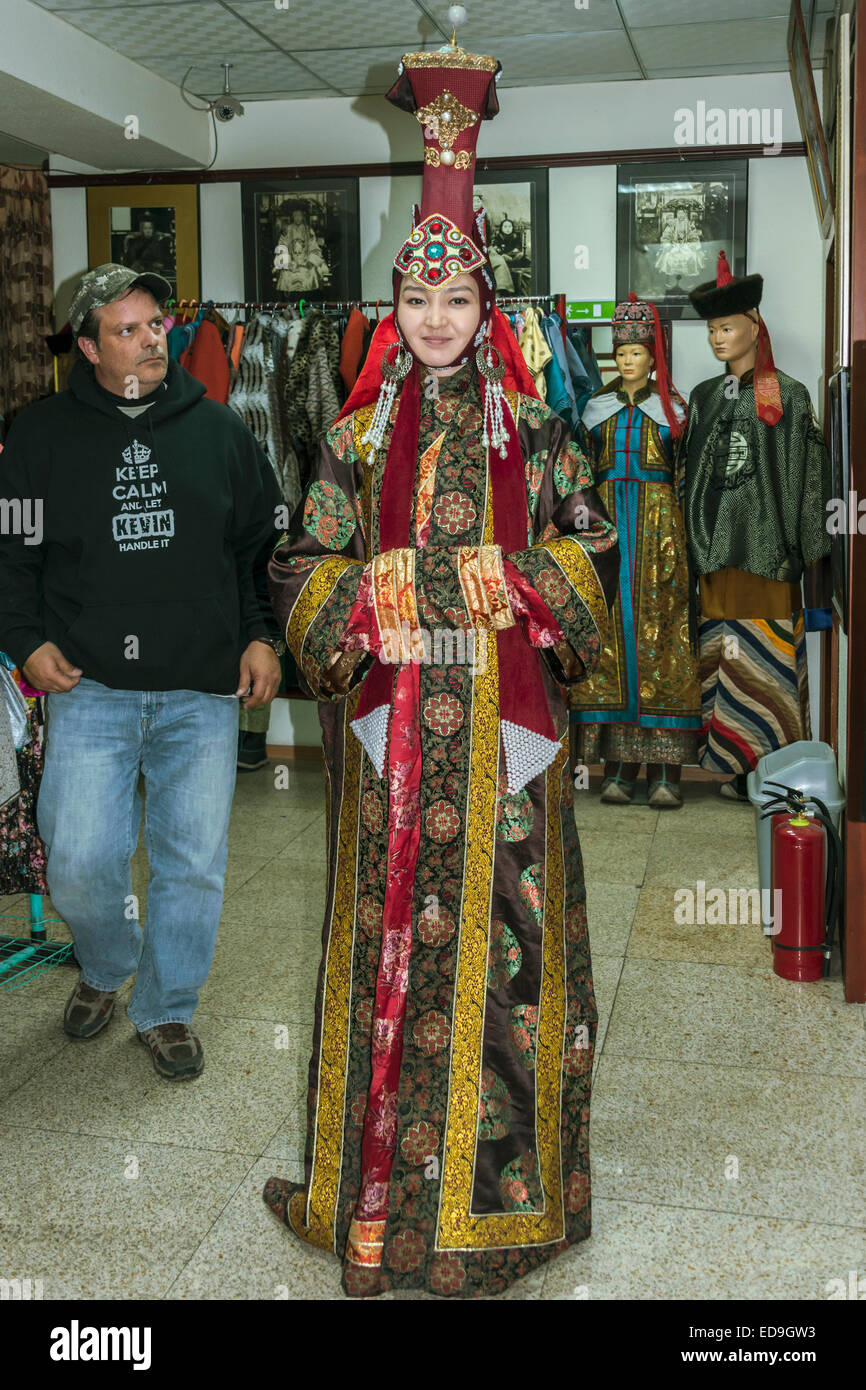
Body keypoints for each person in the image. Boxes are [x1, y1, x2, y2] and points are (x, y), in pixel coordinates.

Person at [261, 35, 619, 1298]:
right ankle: (370, 1203)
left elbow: (591, 554)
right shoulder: (356, 437)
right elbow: (298, 562)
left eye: (456, 299)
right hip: (390, 735)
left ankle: (496, 1213)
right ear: (392, 303)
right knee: (383, 956)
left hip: (508, 747)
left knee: (505, 964)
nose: (432, 320)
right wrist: (377, 590)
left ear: (486, 307)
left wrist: (508, 580)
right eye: (414, 298)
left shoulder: (538, 429)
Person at [0, 263, 285, 1078]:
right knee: (81, 856)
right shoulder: (41, 435)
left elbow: (257, 551)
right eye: (127, 330)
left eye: (155, 324)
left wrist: (262, 636)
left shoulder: (220, 430)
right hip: (89, 688)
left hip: (202, 688)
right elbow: (11, 554)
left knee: (191, 862)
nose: (152, 340)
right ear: (88, 347)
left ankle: (165, 1006)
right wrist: (24, 640)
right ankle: (106, 958)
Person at [683, 251, 831, 799]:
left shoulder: (787, 396)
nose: (718, 338)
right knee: (720, 656)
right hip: (713, 555)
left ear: (753, 326)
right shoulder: (703, 398)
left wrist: (811, 553)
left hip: (767, 556)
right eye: (712, 330)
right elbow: (687, 478)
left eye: (727, 327)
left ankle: (772, 765)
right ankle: (728, 763)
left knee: (766, 662)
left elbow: (809, 477)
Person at [573, 294, 701, 807]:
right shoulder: (595, 409)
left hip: (660, 531)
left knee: (664, 635)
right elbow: (580, 479)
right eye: (620, 351)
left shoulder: (676, 409)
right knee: (612, 632)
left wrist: (689, 541)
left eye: (637, 352)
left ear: (655, 356)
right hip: (610, 531)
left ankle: (666, 772)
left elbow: (690, 480)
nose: (627, 360)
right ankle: (621, 767)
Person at [274, 207, 331, 293]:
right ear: (292, 217)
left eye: (299, 215)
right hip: (291, 262)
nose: (297, 218)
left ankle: (308, 299)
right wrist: (287, 262)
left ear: (303, 217)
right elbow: (282, 245)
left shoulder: (309, 230)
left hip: (306, 262)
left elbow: (314, 247)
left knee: (311, 273)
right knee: (285, 274)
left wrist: (311, 261)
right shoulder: (287, 230)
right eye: (295, 215)